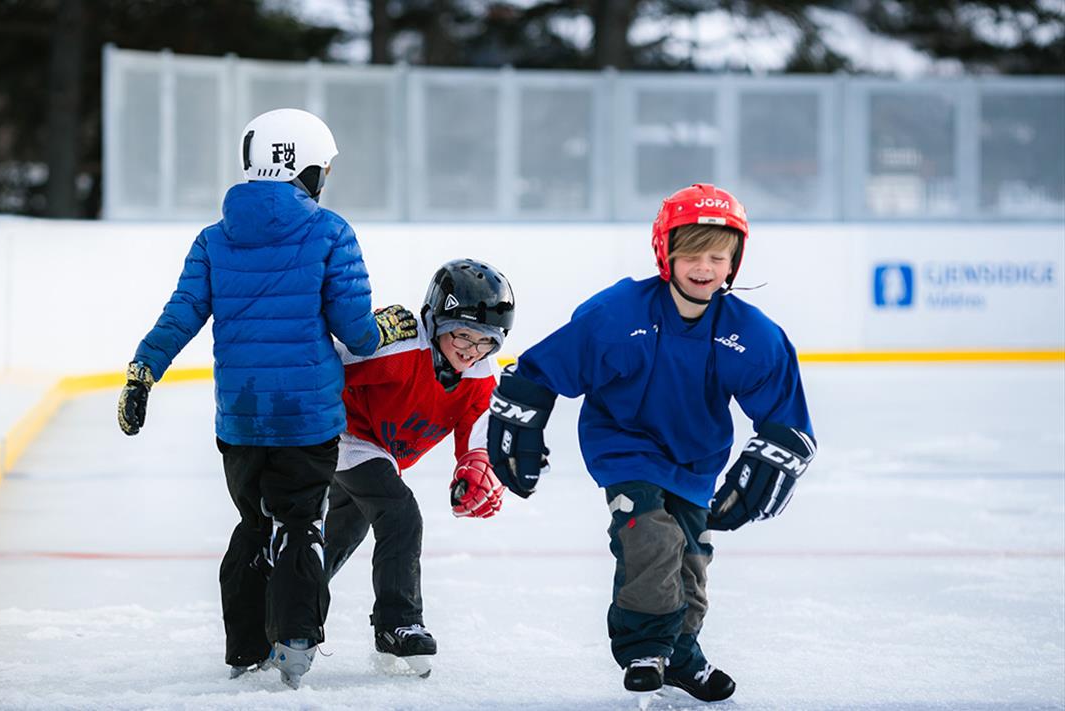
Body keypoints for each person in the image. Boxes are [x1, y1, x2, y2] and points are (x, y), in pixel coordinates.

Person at [116, 108, 419, 690]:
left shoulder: (213, 239)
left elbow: (181, 314)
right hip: (307, 419)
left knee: (254, 524)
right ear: (307, 168)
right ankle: (297, 641)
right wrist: (389, 328)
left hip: (241, 417)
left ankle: (245, 647)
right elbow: (356, 332)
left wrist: (143, 371)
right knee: (301, 522)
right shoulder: (331, 233)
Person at [486, 184, 816, 705]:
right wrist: (521, 416)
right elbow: (543, 370)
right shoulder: (617, 315)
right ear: (666, 252)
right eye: (691, 253)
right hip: (623, 446)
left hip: (696, 458)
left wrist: (775, 456)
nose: (704, 267)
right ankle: (645, 647)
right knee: (650, 535)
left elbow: (785, 418)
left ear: (734, 260)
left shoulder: (751, 335)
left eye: (717, 255)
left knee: (691, 557)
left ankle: (681, 653)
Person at [324, 258, 514, 678]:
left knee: (340, 534)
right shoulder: (402, 345)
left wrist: (477, 465)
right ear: (436, 321)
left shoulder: (479, 376)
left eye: (486, 341)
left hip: (380, 453)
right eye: (462, 334)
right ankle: (398, 624)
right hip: (345, 435)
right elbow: (325, 369)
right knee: (400, 514)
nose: (471, 349)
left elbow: (477, 436)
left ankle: (280, 604)